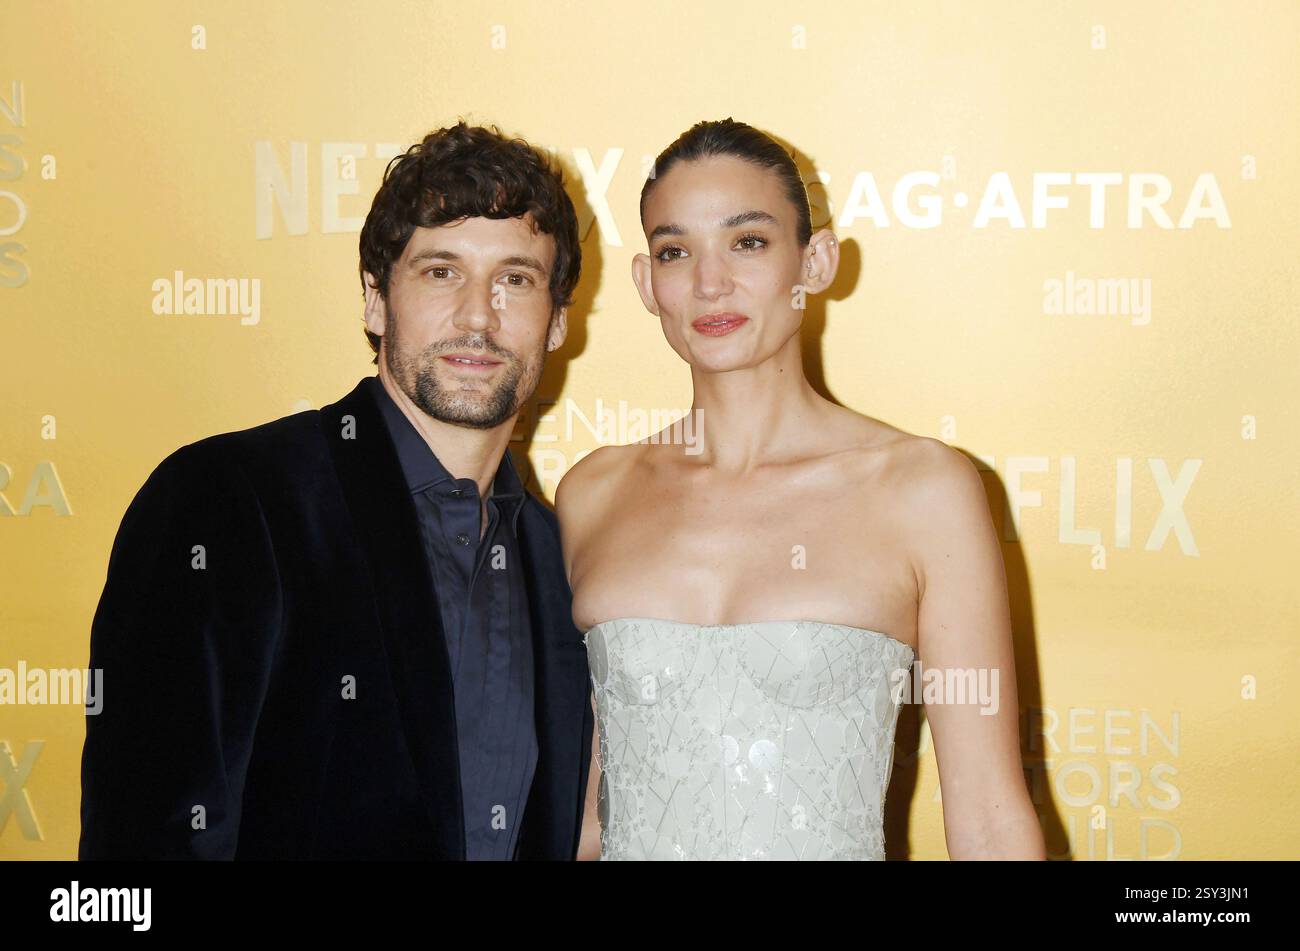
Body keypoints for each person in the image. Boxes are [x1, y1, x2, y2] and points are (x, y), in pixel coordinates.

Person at [79, 121, 593, 860]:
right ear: (375, 301)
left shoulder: (559, 561)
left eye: (515, 278)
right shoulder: (232, 501)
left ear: (556, 324)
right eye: (441, 271)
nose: (479, 316)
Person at [556, 118, 1044, 860]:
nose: (710, 282)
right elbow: (591, 813)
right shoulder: (592, 493)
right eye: (676, 250)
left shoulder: (921, 489)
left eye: (747, 241)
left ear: (814, 262)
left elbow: (987, 818)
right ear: (646, 283)